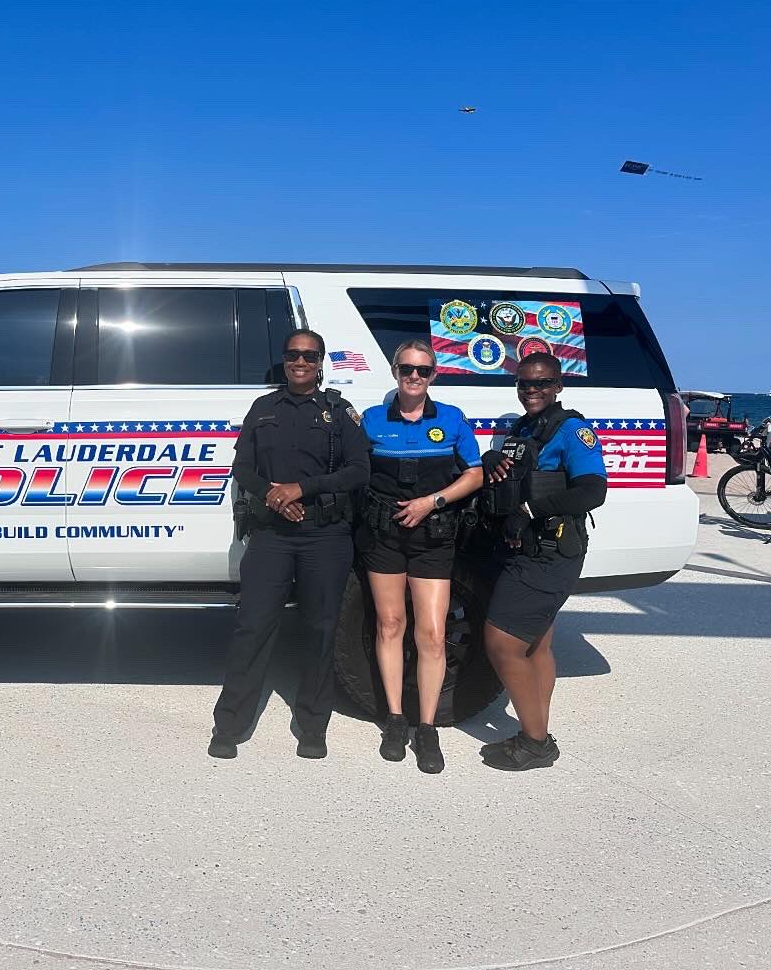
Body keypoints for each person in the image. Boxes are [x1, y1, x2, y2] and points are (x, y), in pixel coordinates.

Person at [210, 328, 369, 760]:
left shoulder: (338, 411)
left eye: (309, 356)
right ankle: (230, 724)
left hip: (325, 536)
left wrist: (301, 488)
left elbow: (359, 470)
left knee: (320, 630)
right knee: (252, 627)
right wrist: (273, 496)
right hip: (272, 535)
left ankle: (313, 726)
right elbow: (243, 468)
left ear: (320, 362)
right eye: (293, 354)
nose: (300, 362)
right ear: (284, 359)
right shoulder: (263, 408)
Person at [357, 339, 483, 773]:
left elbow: (475, 474)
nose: (414, 376)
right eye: (407, 369)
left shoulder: (451, 418)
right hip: (384, 537)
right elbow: (355, 473)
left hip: (433, 537)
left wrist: (433, 502)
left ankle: (426, 728)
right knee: (390, 625)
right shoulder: (372, 420)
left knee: (431, 634)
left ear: (434, 375)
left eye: (423, 370)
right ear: (395, 371)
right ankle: (395, 719)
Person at [478, 351, 607, 771]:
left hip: (551, 552)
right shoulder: (522, 429)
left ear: (558, 386)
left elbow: (593, 491)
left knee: (502, 642)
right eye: (524, 383)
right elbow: (513, 476)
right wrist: (491, 459)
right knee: (537, 644)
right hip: (526, 547)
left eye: (541, 383)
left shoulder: (572, 430)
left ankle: (535, 743)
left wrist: (533, 510)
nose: (531, 390)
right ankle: (535, 729)